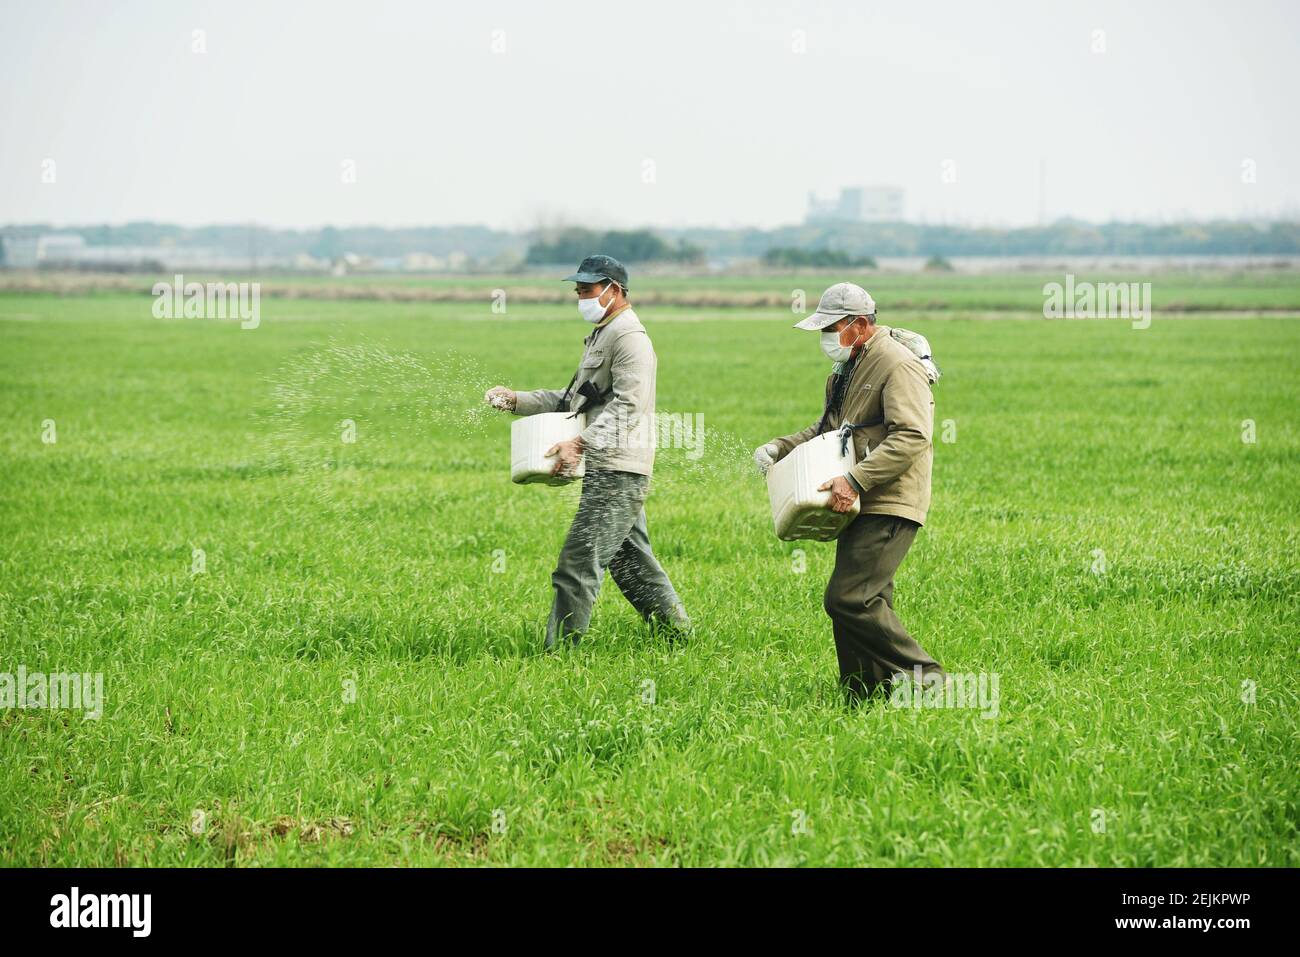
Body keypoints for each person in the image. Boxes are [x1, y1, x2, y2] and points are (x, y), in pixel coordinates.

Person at [754, 282, 946, 702]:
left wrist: (855, 478)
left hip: (890, 498)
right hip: (863, 500)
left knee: (848, 598)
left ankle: (930, 680)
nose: (826, 338)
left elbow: (913, 435)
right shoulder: (853, 365)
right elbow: (829, 428)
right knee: (866, 599)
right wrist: (779, 448)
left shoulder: (897, 364)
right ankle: (863, 695)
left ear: (858, 325)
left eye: (832, 328)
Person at [485, 255, 690, 649]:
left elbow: (629, 405)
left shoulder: (628, 337)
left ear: (614, 289)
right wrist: (516, 400)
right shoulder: (603, 333)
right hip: (607, 467)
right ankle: (678, 637)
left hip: (618, 468)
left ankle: (560, 652)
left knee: (576, 566)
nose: (580, 295)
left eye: (587, 289)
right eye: (577, 289)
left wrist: (578, 444)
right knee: (632, 563)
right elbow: (571, 401)